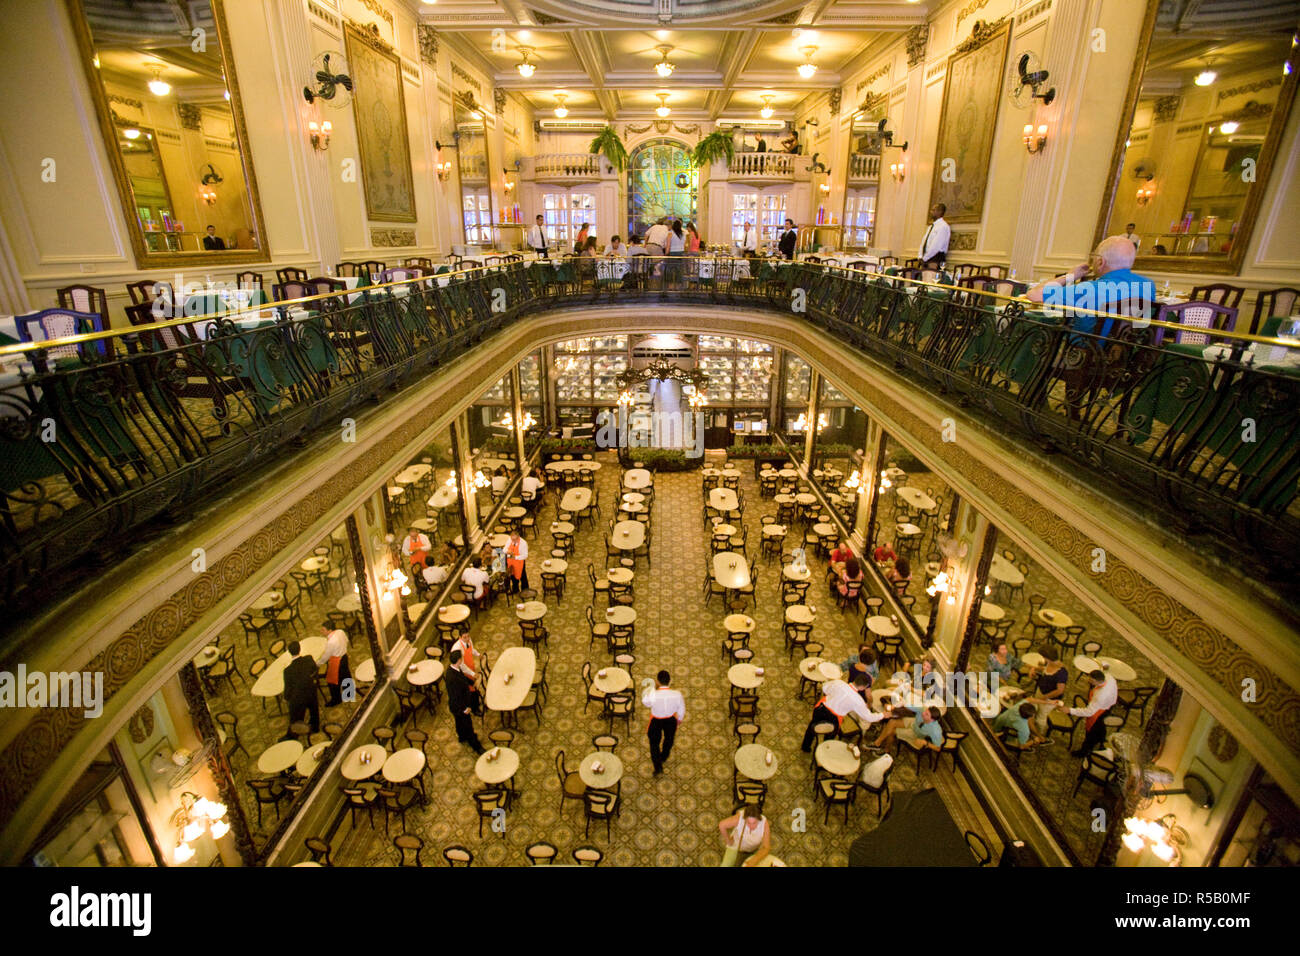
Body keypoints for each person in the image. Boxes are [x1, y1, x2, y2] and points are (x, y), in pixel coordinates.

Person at [1026, 235, 1157, 335]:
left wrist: (1070, 275)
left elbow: (1034, 295)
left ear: (1100, 262)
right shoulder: (1148, 285)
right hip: (1124, 355)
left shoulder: (1090, 289)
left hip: (1083, 353)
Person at [800, 670, 880, 751]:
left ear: (855, 679)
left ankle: (805, 746)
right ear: (863, 687)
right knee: (830, 736)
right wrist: (883, 715)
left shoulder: (838, 683)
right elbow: (868, 717)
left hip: (820, 709)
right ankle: (824, 751)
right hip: (834, 719)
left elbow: (824, 688)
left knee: (812, 726)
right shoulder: (858, 701)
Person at [1060, 669, 1118, 757]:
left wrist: (1070, 710)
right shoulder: (1109, 677)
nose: (1088, 681)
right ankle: (1101, 738)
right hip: (1109, 705)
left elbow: (1089, 712)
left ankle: (1084, 751)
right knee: (1101, 726)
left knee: (1091, 733)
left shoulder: (1100, 696)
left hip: (1099, 710)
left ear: (1096, 681)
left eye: (1090, 680)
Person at [643, 670, 685, 774]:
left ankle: (658, 767)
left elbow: (646, 703)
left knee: (654, 743)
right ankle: (664, 756)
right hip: (670, 720)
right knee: (669, 739)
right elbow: (681, 709)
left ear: (657, 681)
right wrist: (679, 719)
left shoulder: (653, 694)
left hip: (656, 720)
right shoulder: (677, 694)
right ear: (670, 681)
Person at [445, 649, 484, 754]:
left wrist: (472, 682)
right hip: (459, 706)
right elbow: (455, 696)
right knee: (468, 725)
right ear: (459, 660)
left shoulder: (454, 669)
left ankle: (462, 736)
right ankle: (476, 746)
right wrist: (465, 708)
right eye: (461, 658)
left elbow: (463, 679)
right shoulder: (452, 677)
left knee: (459, 722)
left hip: (457, 706)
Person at [1024, 645, 1068, 735]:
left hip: (1049, 698)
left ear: (1047, 658)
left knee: (1041, 718)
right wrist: (1033, 668)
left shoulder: (1062, 673)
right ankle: (1032, 727)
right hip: (1041, 691)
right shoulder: (1049, 663)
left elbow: (1060, 691)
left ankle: (1039, 734)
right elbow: (1044, 669)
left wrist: (1044, 697)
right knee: (1035, 709)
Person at [282, 641, 319, 736]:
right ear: (300, 649)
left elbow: (288, 688)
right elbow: (314, 670)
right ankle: (315, 727)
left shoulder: (288, 671)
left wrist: (286, 698)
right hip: (311, 690)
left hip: (299, 697)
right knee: (314, 709)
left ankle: (293, 733)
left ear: (289, 652)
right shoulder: (309, 658)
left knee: (294, 714)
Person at [874, 704, 943, 754]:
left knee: (891, 732)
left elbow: (938, 748)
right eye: (925, 711)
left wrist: (926, 743)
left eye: (926, 714)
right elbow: (906, 705)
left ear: (932, 719)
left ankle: (886, 750)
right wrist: (893, 707)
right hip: (914, 723)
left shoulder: (936, 730)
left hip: (916, 734)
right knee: (892, 722)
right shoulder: (923, 709)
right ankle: (877, 743)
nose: (923, 713)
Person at [315, 621, 351, 706]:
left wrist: (317, 664)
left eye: (323, 630)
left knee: (332, 681)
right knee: (346, 675)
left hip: (337, 661)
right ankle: (349, 694)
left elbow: (325, 657)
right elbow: (346, 640)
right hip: (344, 657)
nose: (321, 631)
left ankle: (336, 699)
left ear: (330, 630)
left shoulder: (331, 642)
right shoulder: (340, 631)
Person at [919, 203, 950, 268]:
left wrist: (924, 258)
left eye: (933, 210)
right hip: (926, 258)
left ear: (940, 212)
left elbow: (936, 246)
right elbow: (923, 242)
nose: (931, 212)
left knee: (931, 278)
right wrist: (920, 256)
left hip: (935, 259)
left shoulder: (943, 226)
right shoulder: (930, 227)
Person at [505, 529, 529, 594]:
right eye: (512, 539)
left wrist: (515, 557)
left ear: (518, 537)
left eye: (514, 539)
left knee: (522, 576)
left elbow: (525, 556)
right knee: (513, 576)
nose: (513, 541)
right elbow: (505, 548)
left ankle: (525, 590)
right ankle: (515, 589)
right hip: (511, 562)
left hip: (519, 562)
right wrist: (507, 551)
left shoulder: (523, 543)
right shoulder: (510, 539)